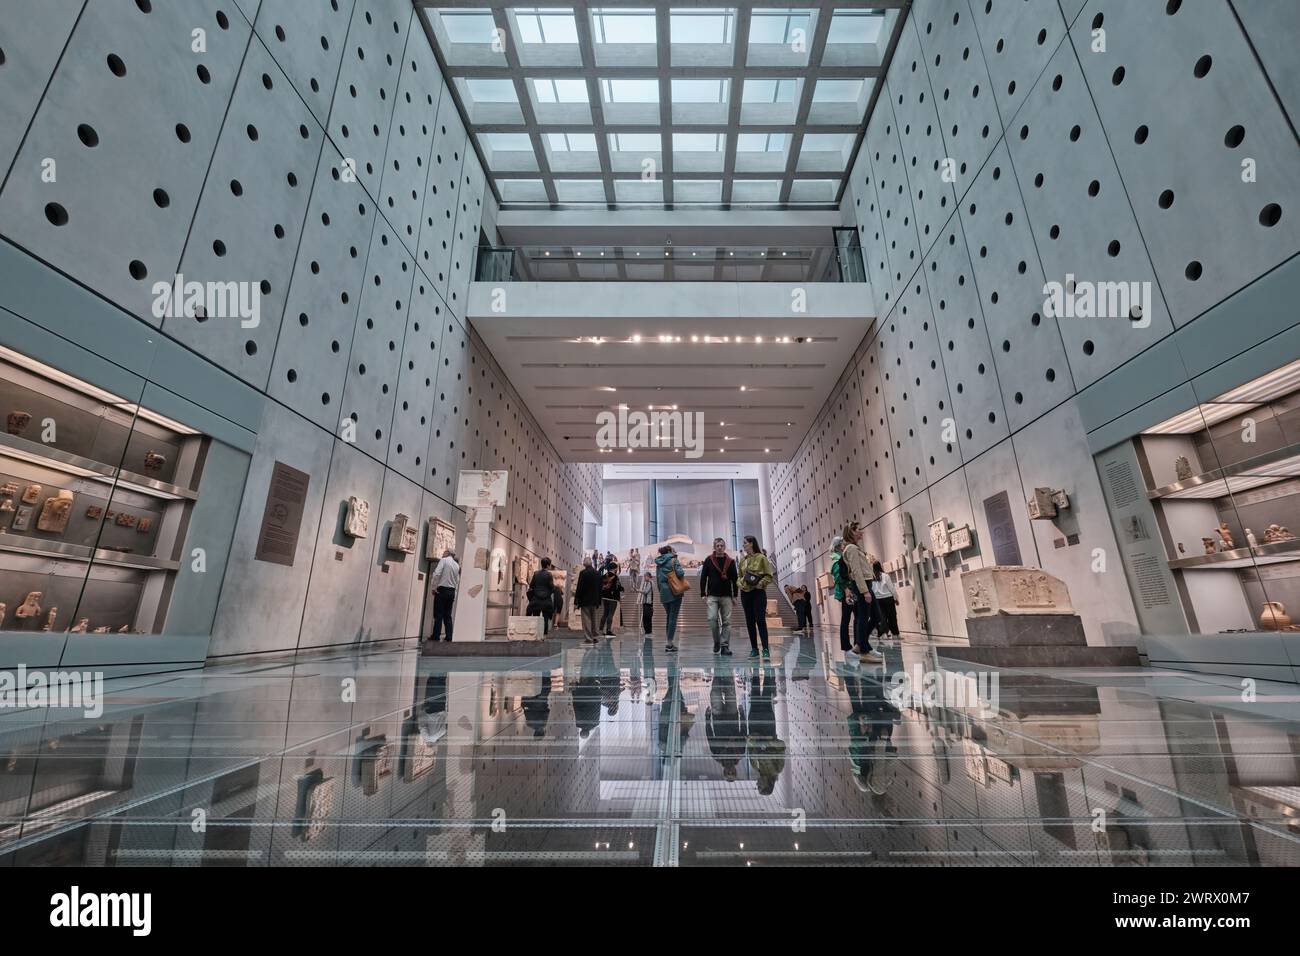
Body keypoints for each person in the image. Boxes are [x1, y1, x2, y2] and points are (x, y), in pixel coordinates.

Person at [841, 522, 883, 663]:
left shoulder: (854, 548)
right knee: (864, 618)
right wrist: (865, 591)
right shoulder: (851, 548)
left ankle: (861, 644)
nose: (861, 532)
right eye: (858, 530)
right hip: (862, 586)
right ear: (851, 532)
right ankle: (864, 650)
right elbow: (856, 571)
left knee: (876, 616)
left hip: (866, 584)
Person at [738, 535, 775, 658]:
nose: (743, 545)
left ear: (752, 543)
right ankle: (754, 649)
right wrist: (739, 584)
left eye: (745, 543)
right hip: (745, 593)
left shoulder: (761, 558)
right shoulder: (743, 560)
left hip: (758, 593)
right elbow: (739, 576)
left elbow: (769, 575)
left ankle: (765, 649)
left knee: (760, 620)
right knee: (749, 621)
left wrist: (761, 583)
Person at [699, 537, 737, 655]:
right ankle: (717, 641)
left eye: (721, 545)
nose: (719, 547)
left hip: (726, 596)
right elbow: (703, 577)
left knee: (727, 622)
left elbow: (734, 579)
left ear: (724, 547)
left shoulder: (730, 562)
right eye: (717, 546)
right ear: (714, 547)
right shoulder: (709, 560)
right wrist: (702, 593)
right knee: (712, 619)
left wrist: (735, 595)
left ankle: (724, 645)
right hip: (712, 596)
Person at [654, 544, 687, 652]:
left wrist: (662, 591)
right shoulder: (674, 560)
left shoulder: (658, 563)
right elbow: (680, 573)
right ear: (669, 551)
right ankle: (669, 643)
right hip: (675, 592)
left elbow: (658, 580)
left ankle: (669, 642)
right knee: (673, 617)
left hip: (664, 593)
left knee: (669, 617)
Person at [428, 549, 460, 642]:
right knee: (448, 615)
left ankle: (436, 636)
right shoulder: (456, 565)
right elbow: (457, 582)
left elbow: (436, 574)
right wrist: (455, 594)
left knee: (438, 614)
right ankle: (449, 636)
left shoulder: (444, 560)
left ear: (448, 553)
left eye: (444, 552)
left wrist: (434, 587)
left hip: (442, 590)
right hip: (451, 592)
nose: (442, 553)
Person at [574, 556, 604, 644]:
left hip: (585, 601)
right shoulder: (597, 573)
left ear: (584, 563)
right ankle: (595, 636)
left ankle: (589, 638)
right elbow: (600, 588)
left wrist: (576, 601)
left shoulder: (583, 573)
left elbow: (579, 588)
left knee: (586, 620)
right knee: (594, 619)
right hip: (595, 601)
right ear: (591, 563)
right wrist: (599, 600)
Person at [525, 557, 556, 634]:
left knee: (536, 616)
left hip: (536, 599)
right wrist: (549, 592)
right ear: (548, 565)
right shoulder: (549, 575)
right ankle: (544, 634)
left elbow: (531, 585)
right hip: (545, 600)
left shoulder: (536, 573)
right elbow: (552, 587)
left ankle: (535, 633)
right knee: (545, 618)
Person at [871, 561, 900, 639]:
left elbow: (872, 590)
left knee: (881, 617)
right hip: (888, 599)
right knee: (892, 617)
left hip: (878, 600)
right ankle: (895, 633)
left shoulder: (872, 577)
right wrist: (896, 598)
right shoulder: (885, 576)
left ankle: (882, 633)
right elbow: (891, 588)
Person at [600, 568, 623, 636]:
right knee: (611, 614)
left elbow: (601, 586)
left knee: (605, 613)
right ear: (614, 568)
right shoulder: (615, 577)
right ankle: (608, 630)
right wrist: (622, 589)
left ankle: (600, 630)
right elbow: (617, 587)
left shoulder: (603, 576)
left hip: (604, 598)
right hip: (613, 598)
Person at [638, 569, 655, 636]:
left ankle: (648, 632)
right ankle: (648, 631)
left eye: (645, 577)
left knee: (646, 618)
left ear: (648, 576)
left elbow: (645, 591)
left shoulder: (650, 583)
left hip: (648, 603)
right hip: (648, 603)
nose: (644, 578)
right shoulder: (650, 583)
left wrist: (639, 590)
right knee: (647, 618)